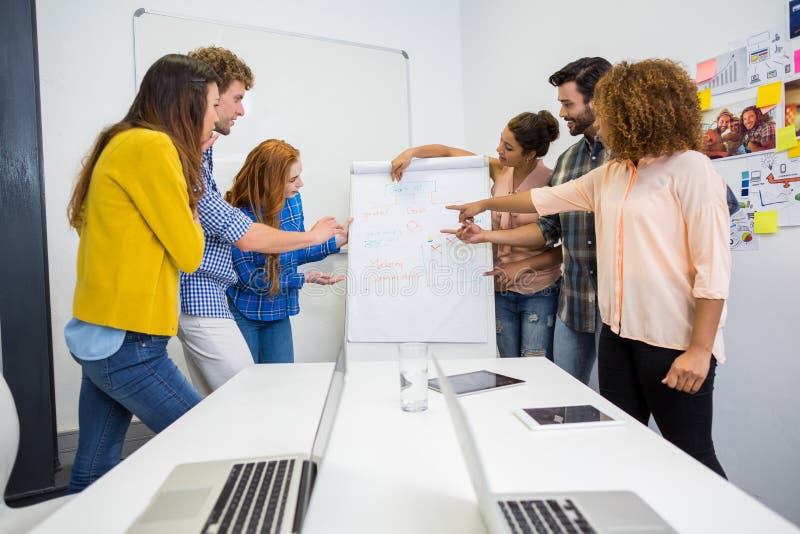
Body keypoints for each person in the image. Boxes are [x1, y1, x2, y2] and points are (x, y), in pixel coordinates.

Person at [448, 59, 729, 477]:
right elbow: (547, 200)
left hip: (672, 342)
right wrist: (486, 204)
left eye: (610, 112)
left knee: (692, 457)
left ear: (636, 113)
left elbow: (714, 268)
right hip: (617, 334)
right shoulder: (613, 173)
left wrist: (700, 351)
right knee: (619, 446)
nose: (601, 122)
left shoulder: (691, 169)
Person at [63, 54, 218, 492]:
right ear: (186, 106)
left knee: (92, 474)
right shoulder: (153, 147)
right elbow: (189, 253)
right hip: (129, 346)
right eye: (210, 106)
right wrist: (192, 186)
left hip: (100, 338)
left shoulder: (121, 142)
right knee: (211, 440)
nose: (215, 118)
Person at [178, 47, 343, 395]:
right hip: (234, 305)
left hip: (271, 310)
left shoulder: (290, 204)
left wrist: (330, 242)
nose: (241, 110)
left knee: (275, 390)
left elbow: (288, 251)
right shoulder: (236, 206)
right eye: (236, 98)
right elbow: (249, 254)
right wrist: (304, 267)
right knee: (243, 396)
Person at [391, 111, 563, 359]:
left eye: (508, 147)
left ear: (530, 154)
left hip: (538, 292)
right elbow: (448, 152)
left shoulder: (552, 182)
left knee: (536, 368)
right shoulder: (499, 169)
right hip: (499, 289)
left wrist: (516, 261)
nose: (499, 149)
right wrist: (412, 152)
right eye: (500, 141)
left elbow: (558, 247)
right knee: (509, 367)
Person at [225, 140, 350, 363]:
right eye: (293, 179)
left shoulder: (292, 201)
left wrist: (337, 241)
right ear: (269, 182)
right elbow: (250, 280)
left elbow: (295, 249)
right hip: (244, 311)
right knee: (246, 386)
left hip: (277, 310)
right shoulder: (237, 214)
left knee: (281, 382)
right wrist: (302, 278)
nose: (300, 184)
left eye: (299, 175)